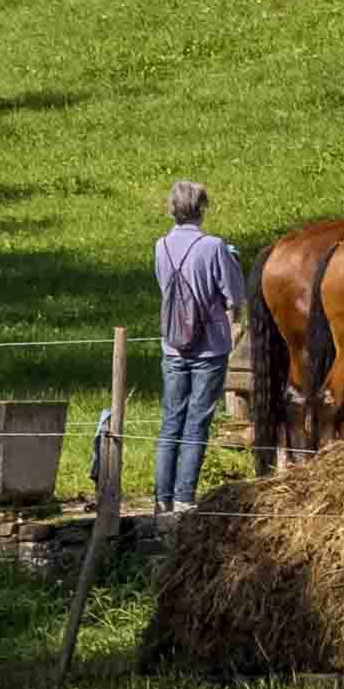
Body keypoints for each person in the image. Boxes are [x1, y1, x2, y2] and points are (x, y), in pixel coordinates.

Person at [149, 180, 240, 516]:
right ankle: (186, 496)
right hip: (209, 347)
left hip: (172, 346)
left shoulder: (160, 246)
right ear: (201, 208)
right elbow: (234, 295)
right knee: (197, 422)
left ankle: (162, 497)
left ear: (173, 209)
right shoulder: (214, 246)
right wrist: (232, 262)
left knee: (171, 420)